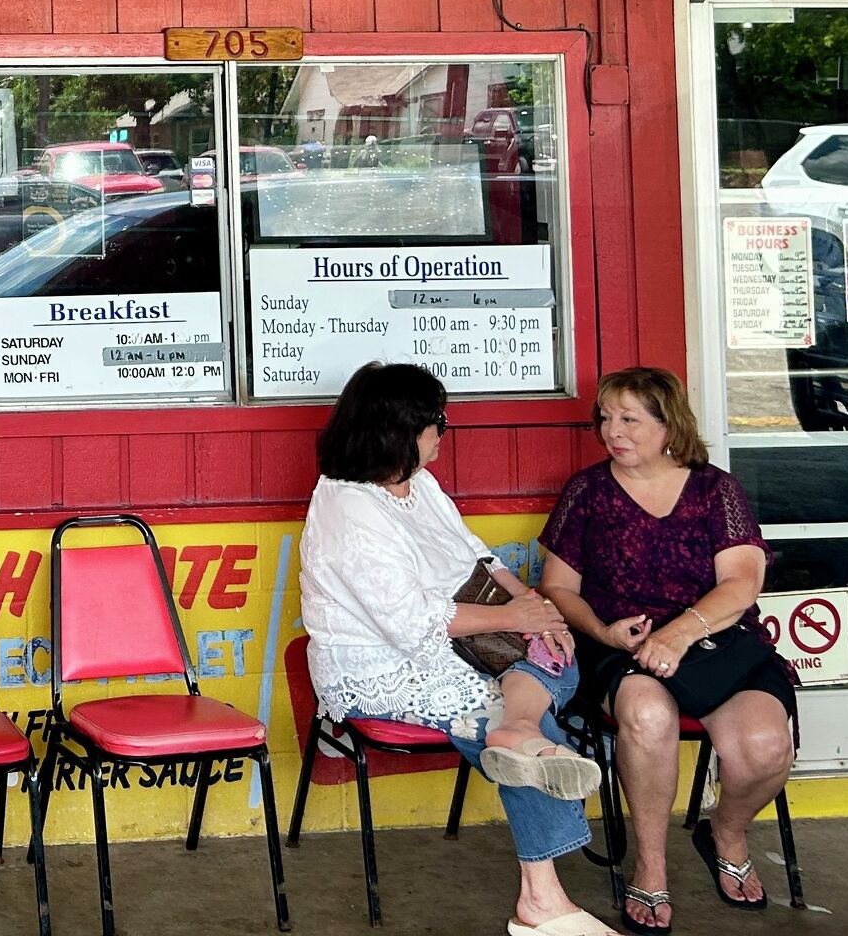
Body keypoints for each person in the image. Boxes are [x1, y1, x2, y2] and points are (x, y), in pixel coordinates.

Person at [301, 362, 615, 936]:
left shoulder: (417, 483)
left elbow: (475, 555)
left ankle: (517, 731)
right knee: (524, 727)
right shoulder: (348, 509)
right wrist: (512, 616)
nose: (445, 431)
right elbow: (408, 622)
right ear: (400, 430)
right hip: (377, 665)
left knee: (560, 660)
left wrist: (536, 608)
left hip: (459, 638)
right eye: (437, 421)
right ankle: (541, 899)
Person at [539, 367, 797, 934]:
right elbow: (557, 588)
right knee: (647, 714)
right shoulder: (588, 490)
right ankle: (651, 866)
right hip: (619, 642)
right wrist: (604, 634)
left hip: (714, 638)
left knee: (763, 744)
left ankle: (726, 831)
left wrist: (677, 634)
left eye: (629, 419)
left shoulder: (714, 489)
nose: (612, 431)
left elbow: (742, 582)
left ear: (667, 424)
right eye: (606, 418)